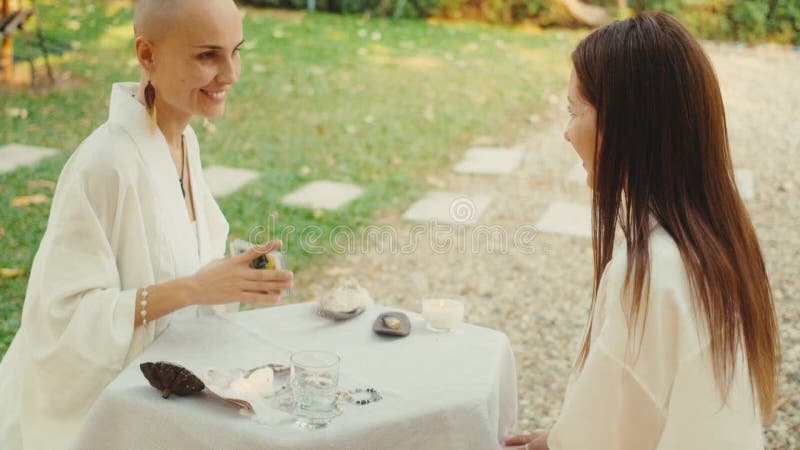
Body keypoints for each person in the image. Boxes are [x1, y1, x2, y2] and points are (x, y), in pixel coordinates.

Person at [0, 1, 293, 448]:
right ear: (147, 55)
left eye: (236, 51)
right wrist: (196, 288)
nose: (230, 74)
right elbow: (63, 320)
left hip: (169, 395)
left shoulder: (181, 139)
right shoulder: (106, 163)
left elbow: (169, 257)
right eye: (207, 55)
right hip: (103, 422)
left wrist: (237, 278)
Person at [506, 12, 780, 450]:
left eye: (575, 111)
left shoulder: (652, 274)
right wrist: (556, 439)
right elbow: (629, 413)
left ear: (626, 124)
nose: (566, 133)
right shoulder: (713, 240)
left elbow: (608, 435)